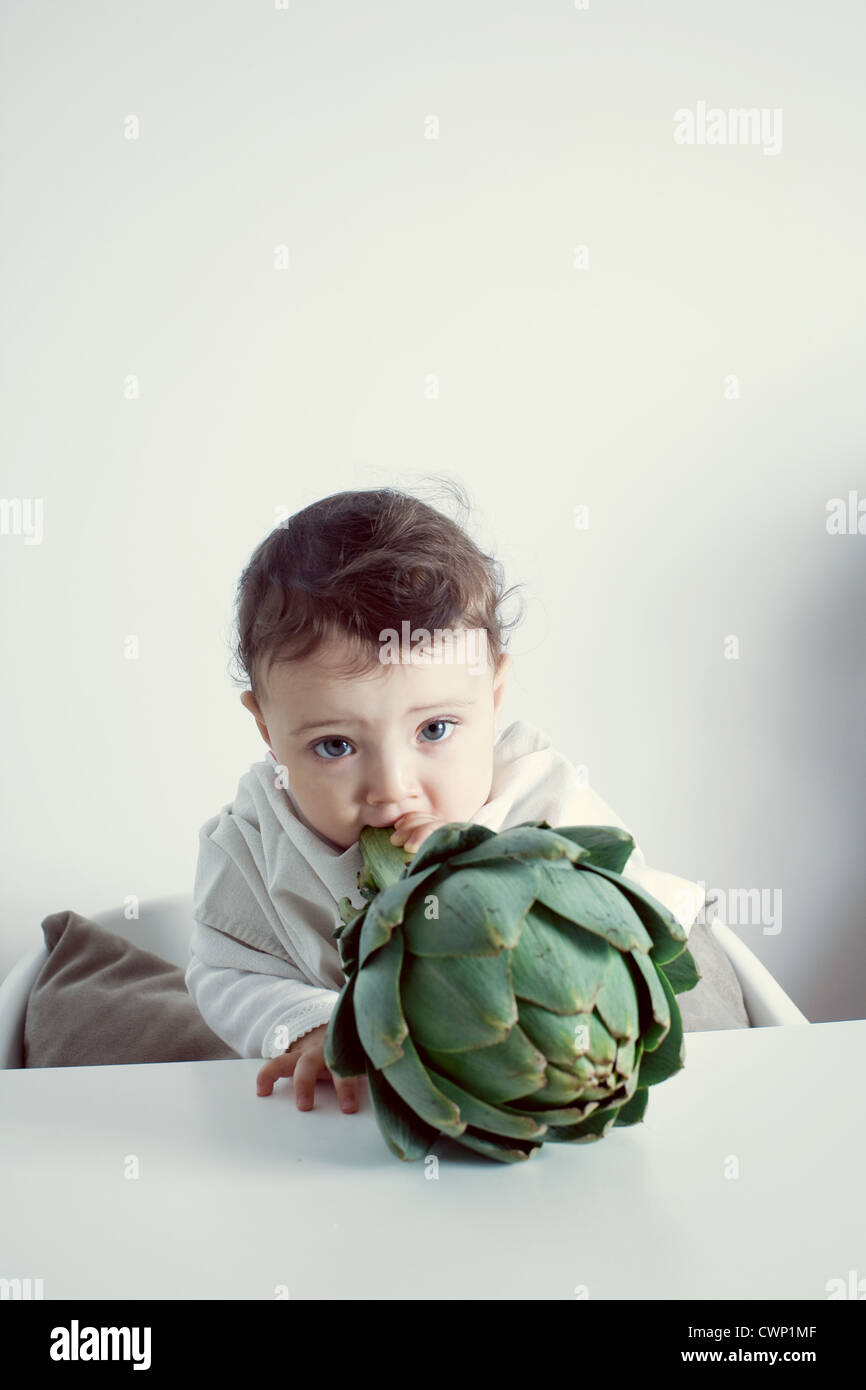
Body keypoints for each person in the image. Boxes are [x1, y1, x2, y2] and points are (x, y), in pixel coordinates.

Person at [186, 483, 749, 1116]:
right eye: (336, 746)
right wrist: (314, 1024)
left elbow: (620, 912)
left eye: (434, 731)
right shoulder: (250, 846)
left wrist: (481, 866)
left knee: (715, 1066)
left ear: (495, 695)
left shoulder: (539, 795)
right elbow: (225, 973)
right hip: (447, 1084)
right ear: (266, 728)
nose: (391, 788)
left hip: (648, 975)